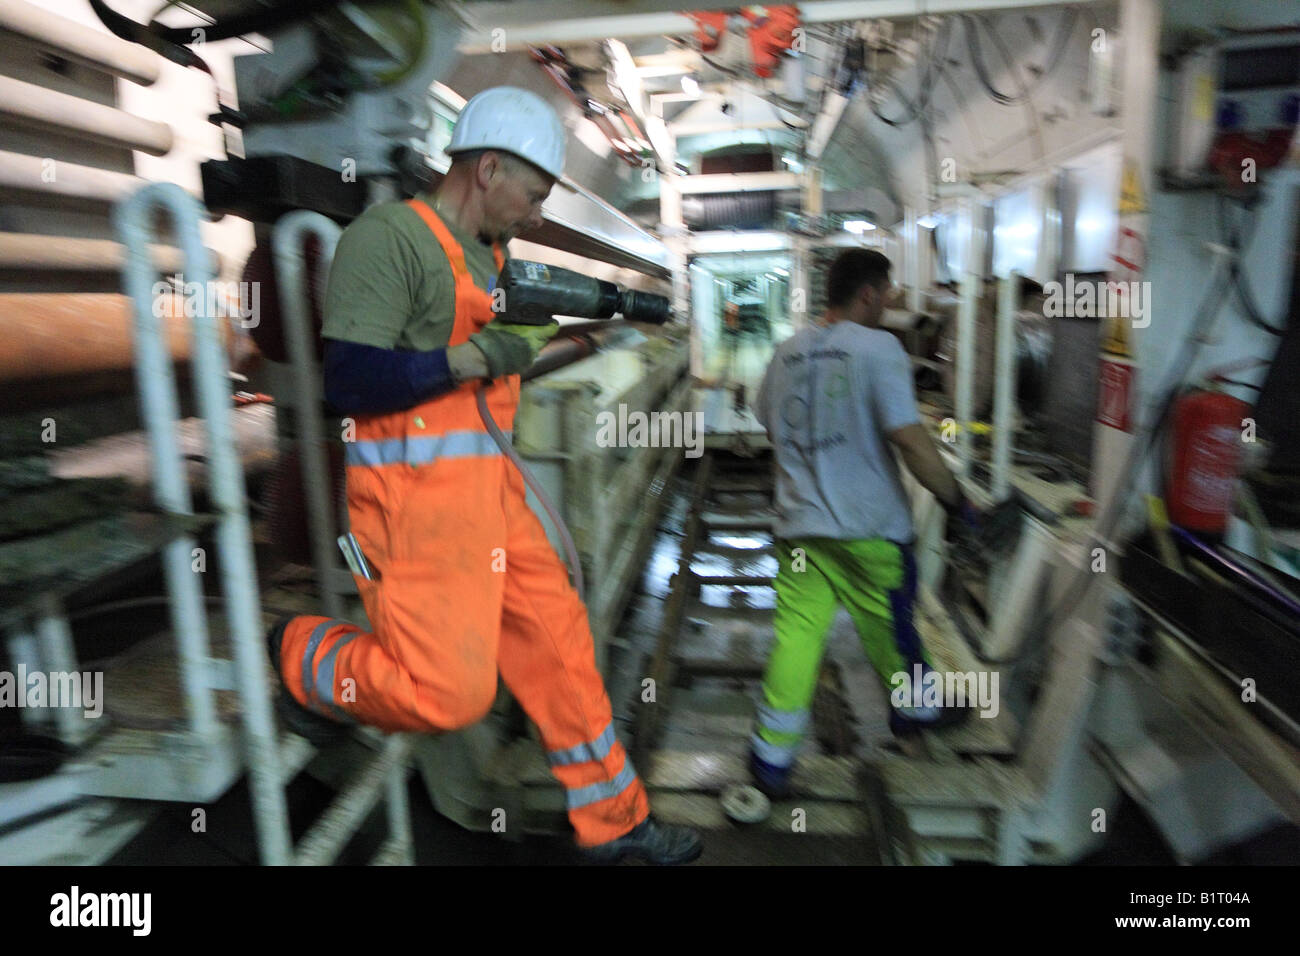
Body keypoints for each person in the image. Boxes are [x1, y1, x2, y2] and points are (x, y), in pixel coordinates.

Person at [266, 86, 701, 864]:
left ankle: (614, 824)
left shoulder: (493, 257)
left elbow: (477, 378)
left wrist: (544, 347)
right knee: (448, 695)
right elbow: (351, 384)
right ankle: (299, 655)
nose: (534, 215)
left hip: (491, 494)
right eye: (531, 197)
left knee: (561, 644)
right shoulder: (389, 238)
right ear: (488, 167)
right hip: (414, 509)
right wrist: (472, 355)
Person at [750, 249, 979, 797]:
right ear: (871, 293)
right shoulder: (879, 349)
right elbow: (910, 439)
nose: (890, 304)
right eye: (890, 293)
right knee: (892, 635)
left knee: (797, 642)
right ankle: (916, 716)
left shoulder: (786, 352)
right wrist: (956, 501)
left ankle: (769, 761)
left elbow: (766, 420)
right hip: (870, 531)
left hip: (799, 530)